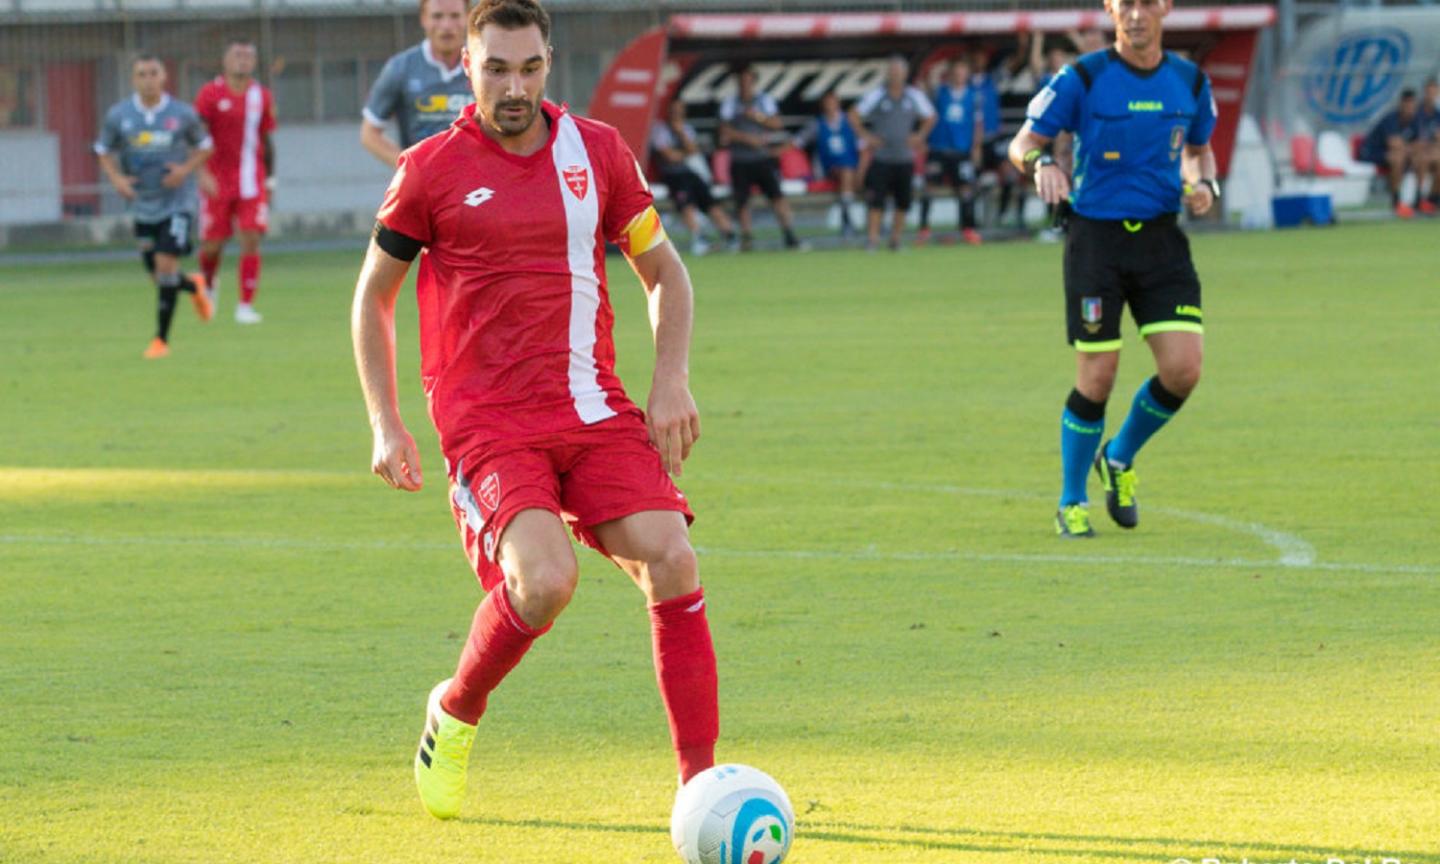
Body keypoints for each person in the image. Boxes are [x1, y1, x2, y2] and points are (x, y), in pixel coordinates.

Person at [351, 0, 718, 821]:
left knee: (674, 558)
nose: (513, 87)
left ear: (549, 62)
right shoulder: (429, 168)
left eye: (528, 68)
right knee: (547, 580)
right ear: (467, 67)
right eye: (495, 69)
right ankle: (455, 709)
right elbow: (373, 298)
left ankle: (701, 786)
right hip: (488, 422)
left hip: (591, 407)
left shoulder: (599, 151)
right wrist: (387, 421)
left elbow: (666, 273)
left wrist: (671, 380)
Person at [1008, 0, 1220, 538]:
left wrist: (1205, 184)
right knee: (1098, 376)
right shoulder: (1082, 76)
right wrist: (1043, 164)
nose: (1135, 14)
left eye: (1146, 3)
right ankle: (1071, 500)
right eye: (1124, 4)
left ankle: (1119, 457)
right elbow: (1023, 143)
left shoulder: (1190, 82)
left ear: (1165, 8)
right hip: (1096, 240)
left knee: (1184, 370)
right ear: (1110, 9)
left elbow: (1200, 150)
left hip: (1160, 240)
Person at [96, 53, 214, 359]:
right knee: (157, 274)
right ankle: (193, 286)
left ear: (164, 77)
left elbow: (204, 147)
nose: (148, 79)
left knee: (164, 266)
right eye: (141, 74)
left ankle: (161, 340)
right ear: (133, 80)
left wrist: (184, 171)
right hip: (143, 204)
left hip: (177, 203)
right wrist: (117, 180)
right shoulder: (119, 115)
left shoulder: (182, 114)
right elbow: (103, 150)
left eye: (153, 73)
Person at [194, 37, 276, 324]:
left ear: (254, 62)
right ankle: (210, 284)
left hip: (251, 181)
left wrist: (271, 180)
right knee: (213, 244)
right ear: (225, 61)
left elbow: (267, 140)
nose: (242, 60)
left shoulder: (261, 96)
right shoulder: (210, 94)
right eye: (237, 54)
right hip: (217, 181)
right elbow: (196, 136)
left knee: (251, 238)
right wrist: (201, 172)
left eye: (248, 55)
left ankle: (245, 306)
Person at [361, 0, 474, 166]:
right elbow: (369, 133)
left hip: (475, 183)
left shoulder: (483, 66)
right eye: (437, 16)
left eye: (455, 16)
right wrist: (409, 167)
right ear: (423, 19)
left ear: (468, 17)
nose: (446, 25)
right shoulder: (401, 68)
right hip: (424, 186)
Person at [849, 55, 936, 251]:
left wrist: (920, 135)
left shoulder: (913, 95)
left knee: (902, 201)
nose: (895, 76)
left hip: (904, 157)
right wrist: (867, 136)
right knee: (876, 201)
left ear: (905, 75)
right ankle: (872, 240)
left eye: (899, 72)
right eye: (892, 72)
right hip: (881, 157)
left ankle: (895, 240)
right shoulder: (877, 95)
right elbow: (854, 115)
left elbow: (931, 116)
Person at [717, 65, 806, 251]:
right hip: (740, 159)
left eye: (748, 81)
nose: (745, 85)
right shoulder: (730, 103)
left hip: (762, 158)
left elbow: (776, 124)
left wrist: (756, 116)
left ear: (754, 82)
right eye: (742, 82)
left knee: (777, 197)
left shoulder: (763, 101)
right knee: (742, 202)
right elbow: (724, 132)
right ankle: (747, 239)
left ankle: (789, 235)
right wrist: (747, 138)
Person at [649, 99, 737, 255]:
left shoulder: (686, 129)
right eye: (674, 110)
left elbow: (693, 150)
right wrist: (684, 153)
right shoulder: (660, 130)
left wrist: (680, 133)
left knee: (710, 203)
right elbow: (669, 156)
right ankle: (700, 239)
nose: (677, 114)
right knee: (686, 204)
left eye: (680, 110)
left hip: (689, 172)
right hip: (672, 175)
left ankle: (730, 237)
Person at [918, 58, 983, 246]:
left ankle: (967, 229)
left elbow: (978, 124)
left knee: (965, 189)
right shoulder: (940, 91)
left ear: (967, 75)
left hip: (961, 150)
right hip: (939, 148)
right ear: (951, 73)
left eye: (963, 72)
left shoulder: (973, 96)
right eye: (956, 71)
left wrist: (976, 147)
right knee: (929, 188)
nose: (959, 75)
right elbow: (926, 83)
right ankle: (924, 229)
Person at [794, 89, 862, 240]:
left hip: (854, 168)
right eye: (827, 102)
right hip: (830, 169)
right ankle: (847, 221)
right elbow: (797, 142)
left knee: (870, 175)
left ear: (838, 103)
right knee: (846, 172)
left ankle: (877, 224)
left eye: (833, 101)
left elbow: (863, 144)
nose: (830, 105)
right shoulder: (817, 124)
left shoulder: (850, 122)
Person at [1358, 89, 1433, 218]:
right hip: (1373, 153)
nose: (1410, 108)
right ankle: (1396, 201)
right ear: (1401, 104)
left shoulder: (1415, 120)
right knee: (1397, 158)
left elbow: (1421, 143)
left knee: (1421, 157)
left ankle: (1419, 199)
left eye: (1413, 105)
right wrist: (1411, 148)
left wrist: (1411, 149)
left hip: (1398, 153)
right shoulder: (1391, 119)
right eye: (1407, 105)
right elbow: (1394, 144)